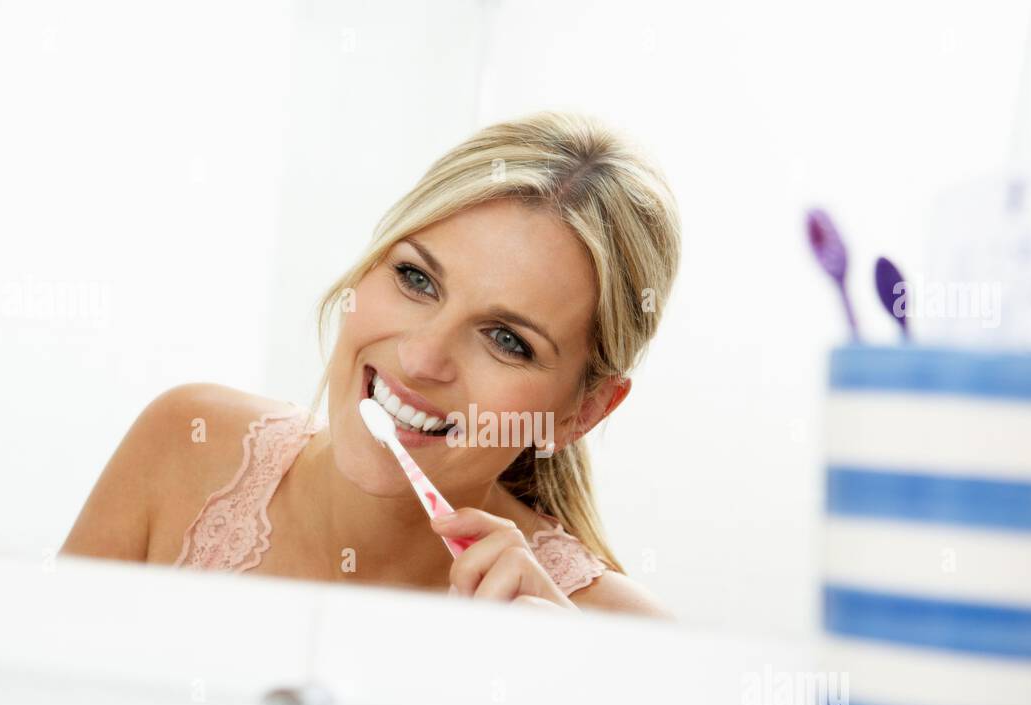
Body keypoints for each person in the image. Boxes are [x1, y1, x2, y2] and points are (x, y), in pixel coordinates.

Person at [60, 111, 682, 617]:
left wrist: (550, 697)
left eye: (506, 340)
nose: (420, 358)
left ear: (584, 411)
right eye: (415, 278)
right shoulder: (181, 444)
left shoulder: (618, 642)